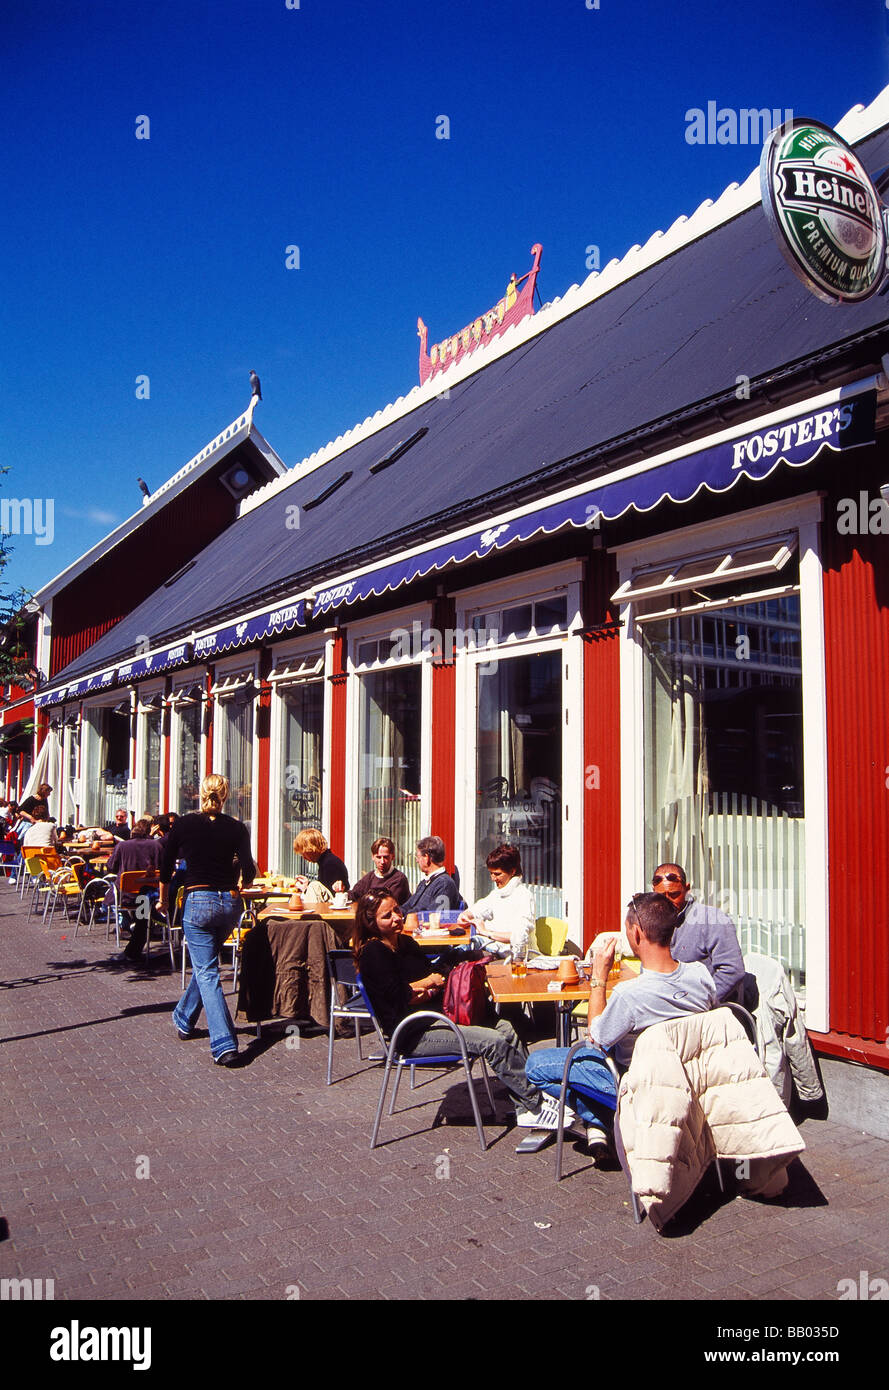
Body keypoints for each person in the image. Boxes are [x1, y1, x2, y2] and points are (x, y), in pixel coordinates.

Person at [353, 889, 569, 1129]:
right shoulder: (373, 954)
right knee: (492, 1041)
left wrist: (424, 986)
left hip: (437, 1015)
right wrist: (425, 985)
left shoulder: (405, 942)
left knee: (506, 1027)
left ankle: (526, 1106)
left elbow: (436, 978)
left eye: (396, 909)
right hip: (412, 1033)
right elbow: (402, 996)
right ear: (371, 923)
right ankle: (536, 1104)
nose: (396, 917)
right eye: (387, 916)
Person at [526, 892, 717, 1158]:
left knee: (536, 1066)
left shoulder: (630, 995)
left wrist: (598, 978)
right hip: (690, 1077)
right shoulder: (701, 975)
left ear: (636, 933)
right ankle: (603, 1123)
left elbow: (595, 1038)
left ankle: (609, 1120)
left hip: (640, 1083)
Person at [160, 774, 255, 1066]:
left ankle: (225, 1044)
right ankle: (184, 1019)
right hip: (229, 903)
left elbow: (165, 862)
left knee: (207, 972)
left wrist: (164, 898)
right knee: (207, 967)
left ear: (200, 794)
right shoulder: (237, 827)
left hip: (198, 900)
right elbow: (249, 869)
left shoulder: (185, 824)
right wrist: (239, 886)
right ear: (225, 796)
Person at [649, 863, 745, 1003]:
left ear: (687, 889)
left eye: (674, 895)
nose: (667, 902)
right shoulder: (655, 922)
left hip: (708, 1010)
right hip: (670, 1005)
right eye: (661, 897)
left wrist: (695, 1004)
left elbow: (732, 971)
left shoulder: (713, 920)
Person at [458, 843, 537, 959]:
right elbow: (479, 908)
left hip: (514, 958)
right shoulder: (498, 894)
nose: (493, 878)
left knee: (461, 957)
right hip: (495, 950)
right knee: (456, 952)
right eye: (491, 873)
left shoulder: (524, 896)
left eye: (497, 874)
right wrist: (466, 915)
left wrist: (486, 932)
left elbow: (519, 938)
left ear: (512, 871)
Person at [107, 819, 163, 963]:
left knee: (141, 915)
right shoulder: (156, 846)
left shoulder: (122, 846)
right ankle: (134, 948)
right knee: (142, 913)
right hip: (149, 898)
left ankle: (132, 949)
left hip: (126, 896)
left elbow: (111, 867)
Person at [400, 835, 461, 915]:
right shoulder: (424, 883)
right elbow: (407, 906)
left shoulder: (445, 884)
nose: (417, 861)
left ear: (426, 857)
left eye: (417, 856)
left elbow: (435, 916)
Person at [348, 836, 410, 905]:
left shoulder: (399, 879)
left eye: (386, 857)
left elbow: (385, 905)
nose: (382, 861)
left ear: (393, 857)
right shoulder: (369, 877)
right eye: (378, 857)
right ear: (373, 857)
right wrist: (341, 891)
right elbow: (353, 894)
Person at [293, 828, 349, 894]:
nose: (304, 857)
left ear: (312, 849)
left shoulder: (329, 864)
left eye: (304, 853)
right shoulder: (326, 861)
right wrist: (307, 885)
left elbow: (327, 895)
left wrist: (306, 890)